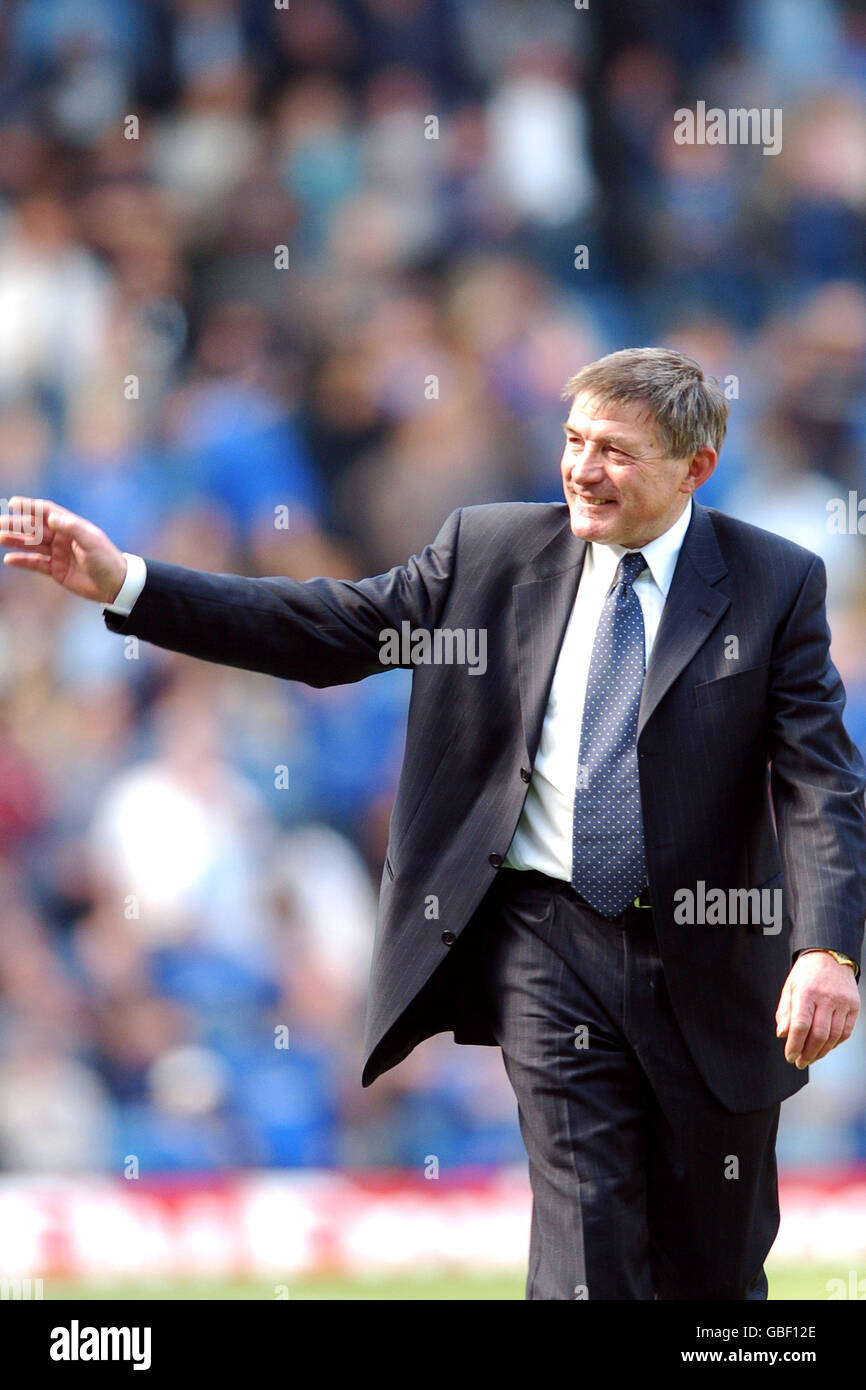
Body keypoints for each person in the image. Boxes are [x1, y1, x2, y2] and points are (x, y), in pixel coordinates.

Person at [4, 347, 864, 1300]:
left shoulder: (772, 583)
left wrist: (827, 951)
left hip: (714, 959)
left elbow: (821, 783)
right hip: (551, 947)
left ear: (695, 467)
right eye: (574, 440)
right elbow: (327, 630)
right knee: (588, 1250)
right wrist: (128, 581)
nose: (582, 468)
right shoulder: (490, 554)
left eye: (616, 451)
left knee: (717, 1278)